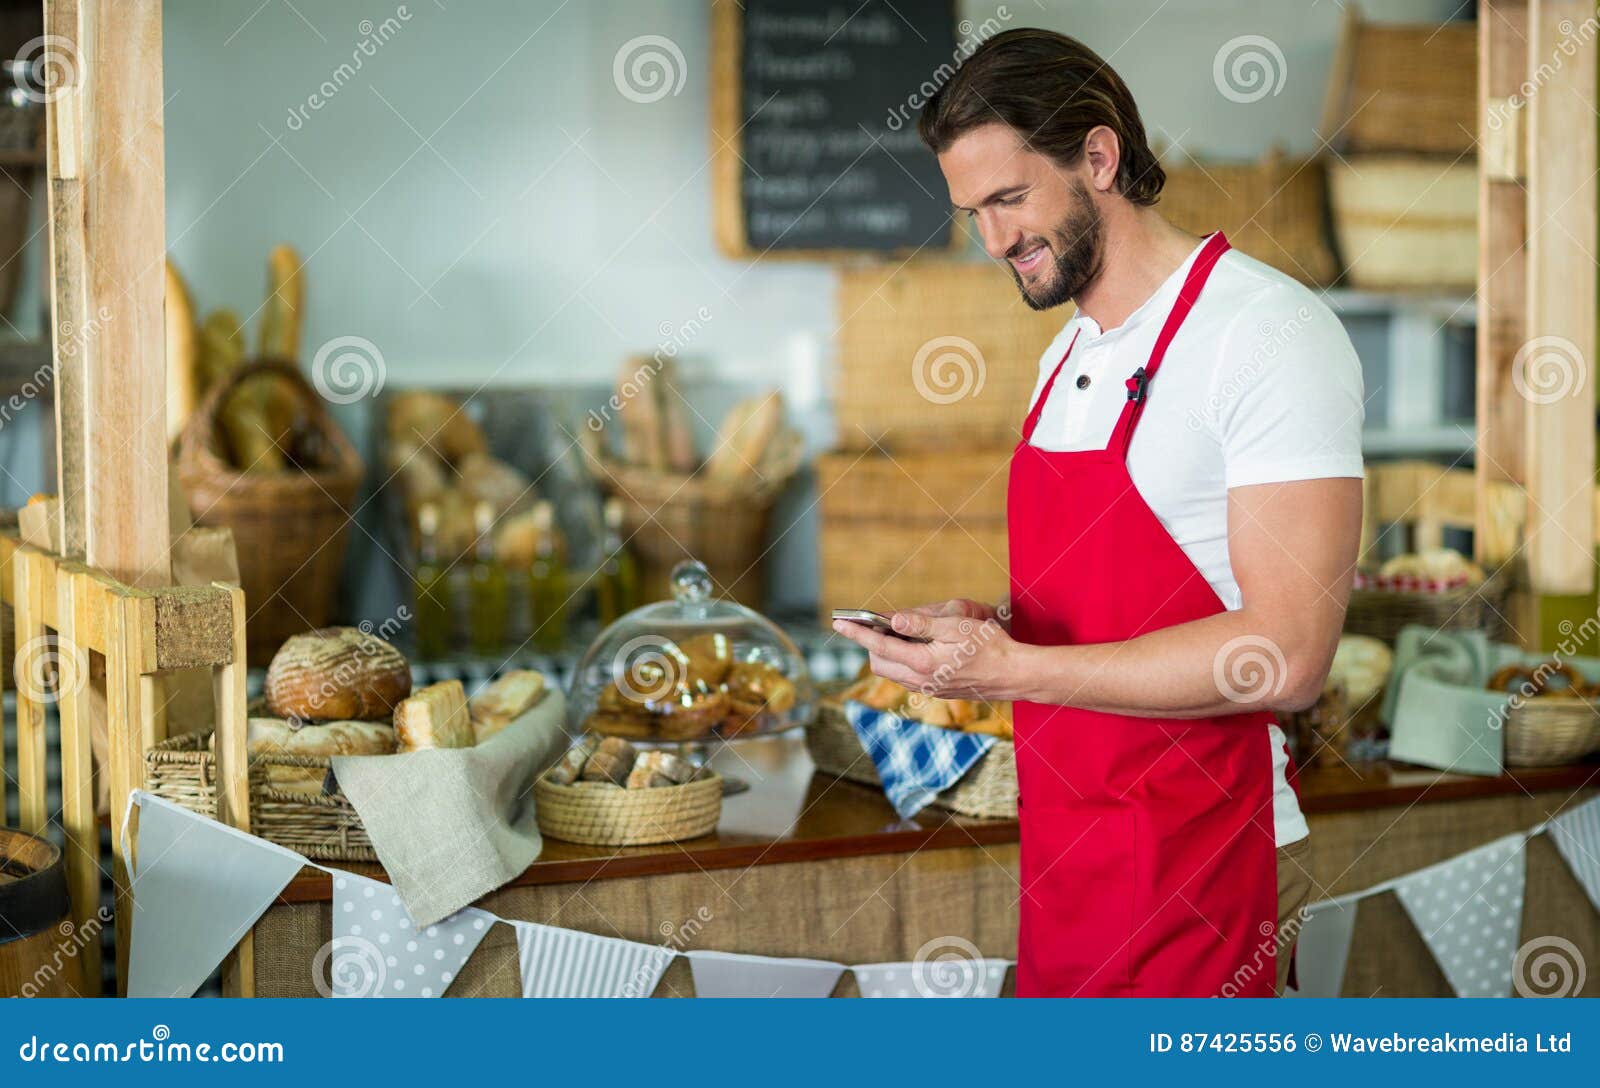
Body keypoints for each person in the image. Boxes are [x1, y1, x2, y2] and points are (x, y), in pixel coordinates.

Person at [832, 28, 1364, 997]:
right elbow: (1102, 606)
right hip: (1067, 856)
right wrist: (984, 629)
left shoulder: (1267, 334)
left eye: (1007, 199)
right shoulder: (1063, 356)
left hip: (1205, 864)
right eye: (971, 213)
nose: (993, 241)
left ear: (1100, 156)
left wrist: (1016, 669)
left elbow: (1286, 655)